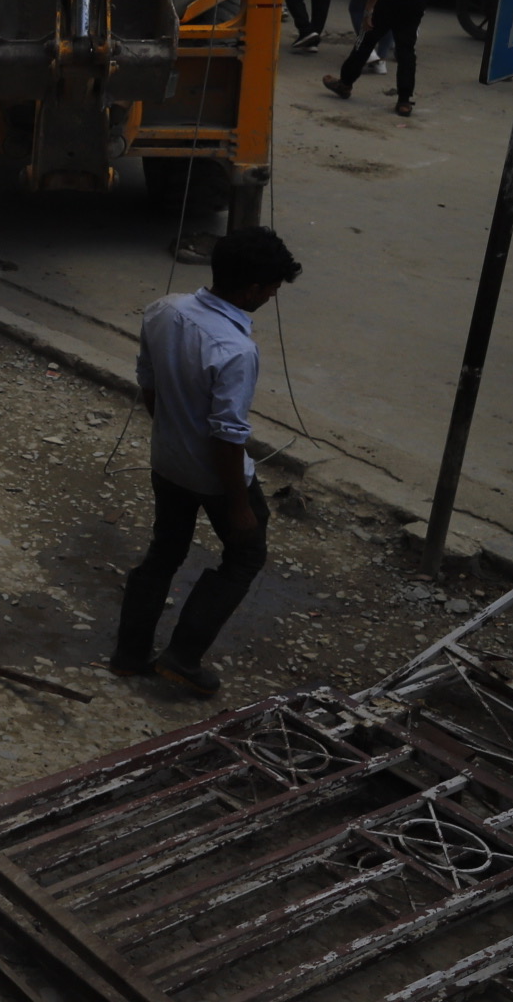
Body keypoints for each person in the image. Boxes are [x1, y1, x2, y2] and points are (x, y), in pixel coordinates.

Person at [114, 226, 303, 695]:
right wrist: (237, 505)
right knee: (245, 555)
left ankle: (129, 653)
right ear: (252, 288)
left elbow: (149, 383)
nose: (274, 295)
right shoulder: (235, 349)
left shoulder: (164, 309)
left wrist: (173, 432)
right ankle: (182, 657)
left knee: (164, 552)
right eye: (273, 287)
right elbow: (227, 436)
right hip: (215, 476)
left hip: (167, 461)